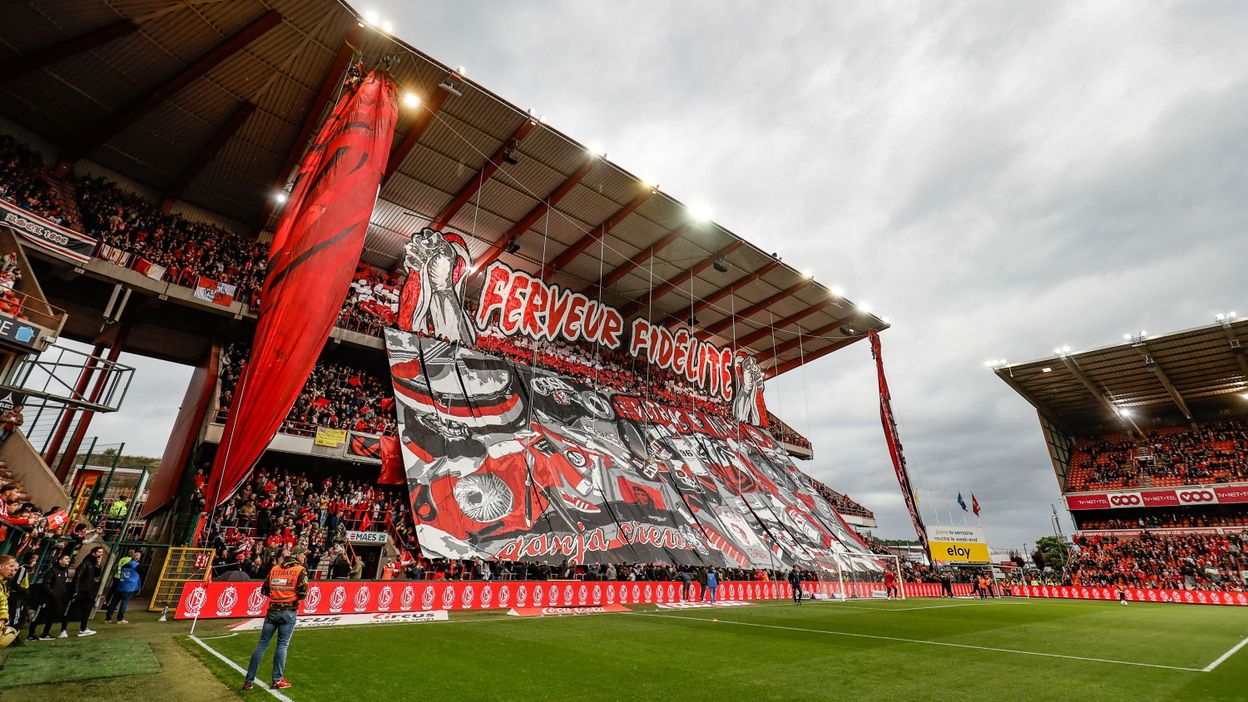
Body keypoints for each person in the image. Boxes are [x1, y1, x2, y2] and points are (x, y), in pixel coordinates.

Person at [243, 549, 308, 691]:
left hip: (272, 610)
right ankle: (277, 680)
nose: (304, 556)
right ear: (297, 556)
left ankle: (248, 681)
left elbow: (264, 590)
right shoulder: (300, 570)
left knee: (261, 645)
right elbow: (303, 592)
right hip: (288, 611)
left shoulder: (275, 569)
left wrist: (277, 597)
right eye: (303, 554)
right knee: (282, 645)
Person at [33, 552, 71, 640]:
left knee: (51, 616)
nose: (68, 560)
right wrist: (52, 593)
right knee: (39, 616)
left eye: (68, 559)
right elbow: (46, 584)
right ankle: (31, 635)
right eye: (66, 558)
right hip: (47, 598)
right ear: (60, 560)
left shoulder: (66, 570)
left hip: (57, 598)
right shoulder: (52, 571)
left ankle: (45, 634)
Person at [71, 546, 104, 636]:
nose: (101, 554)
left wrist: (98, 565)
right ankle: (64, 630)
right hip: (82, 590)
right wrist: (76, 590)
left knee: (87, 609)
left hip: (88, 591)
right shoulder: (86, 563)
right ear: (93, 553)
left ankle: (83, 628)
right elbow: (78, 576)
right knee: (73, 609)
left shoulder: (94, 564)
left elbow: (97, 575)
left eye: (102, 552)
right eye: (99, 552)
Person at [104, 551, 141, 623]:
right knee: (124, 602)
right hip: (130, 586)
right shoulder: (137, 566)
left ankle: (108, 618)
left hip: (121, 583)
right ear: (138, 558)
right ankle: (120, 619)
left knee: (114, 601)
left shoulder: (125, 565)